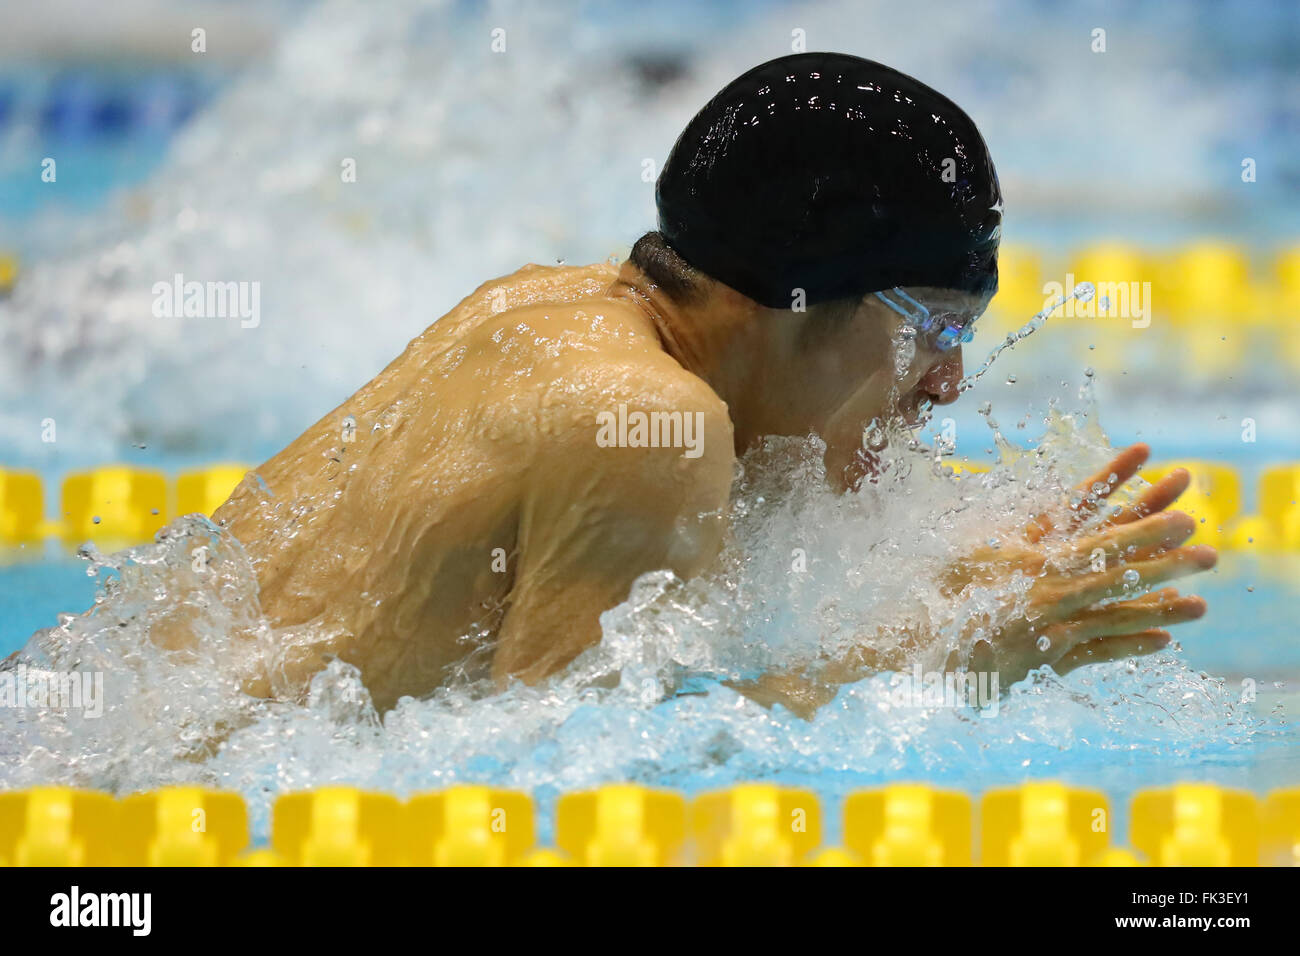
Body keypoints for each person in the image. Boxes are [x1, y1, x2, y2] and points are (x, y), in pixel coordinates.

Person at [212, 53, 1214, 718]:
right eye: (933, 326)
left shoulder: (557, 308)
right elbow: (568, 786)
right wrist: (942, 658)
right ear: (798, 296)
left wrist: (952, 584)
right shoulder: (645, 423)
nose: (947, 382)